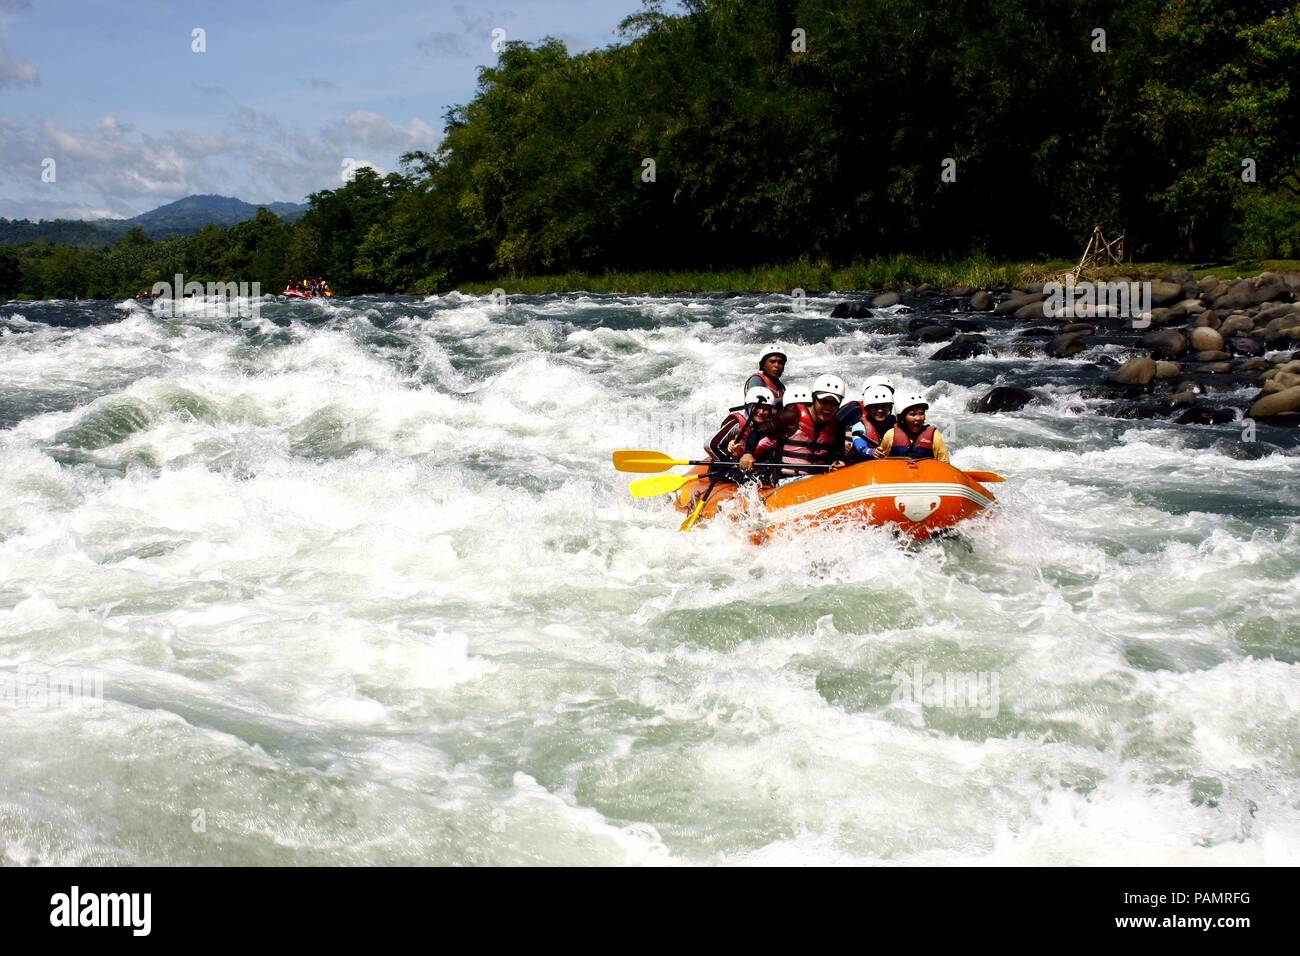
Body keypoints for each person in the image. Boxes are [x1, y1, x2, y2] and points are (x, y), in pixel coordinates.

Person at [747, 376, 848, 478]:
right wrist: (748, 453)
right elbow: (758, 432)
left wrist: (839, 461)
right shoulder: (791, 415)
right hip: (786, 480)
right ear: (813, 398)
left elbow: (838, 454)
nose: (828, 407)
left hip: (818, 480)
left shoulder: (838, 426)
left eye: (834, 403)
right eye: (823, 401)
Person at [707, 386, 776, 462]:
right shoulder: (737, 423)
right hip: (733, 463)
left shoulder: (772, 425)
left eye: (766, 409)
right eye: (757, 407)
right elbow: (711, 445)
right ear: (748, 407)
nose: (761, 412)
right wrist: (732, 465)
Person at [876, 392, 950, 463]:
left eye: (921, 413)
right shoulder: (890, 435)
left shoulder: (935, 436)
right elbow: (881, 461)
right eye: (912, 414)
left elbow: (944, 464)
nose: (918, 418)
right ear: (902, 418)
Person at [849, 384, 896, 462]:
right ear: (868, 409)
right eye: (875, 407)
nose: (880, 410)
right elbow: (860, 447)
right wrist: (871, 452)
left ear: (890, 408)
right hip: (862, 465)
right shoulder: (859, 425)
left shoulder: (895, 424)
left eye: (884, 406)